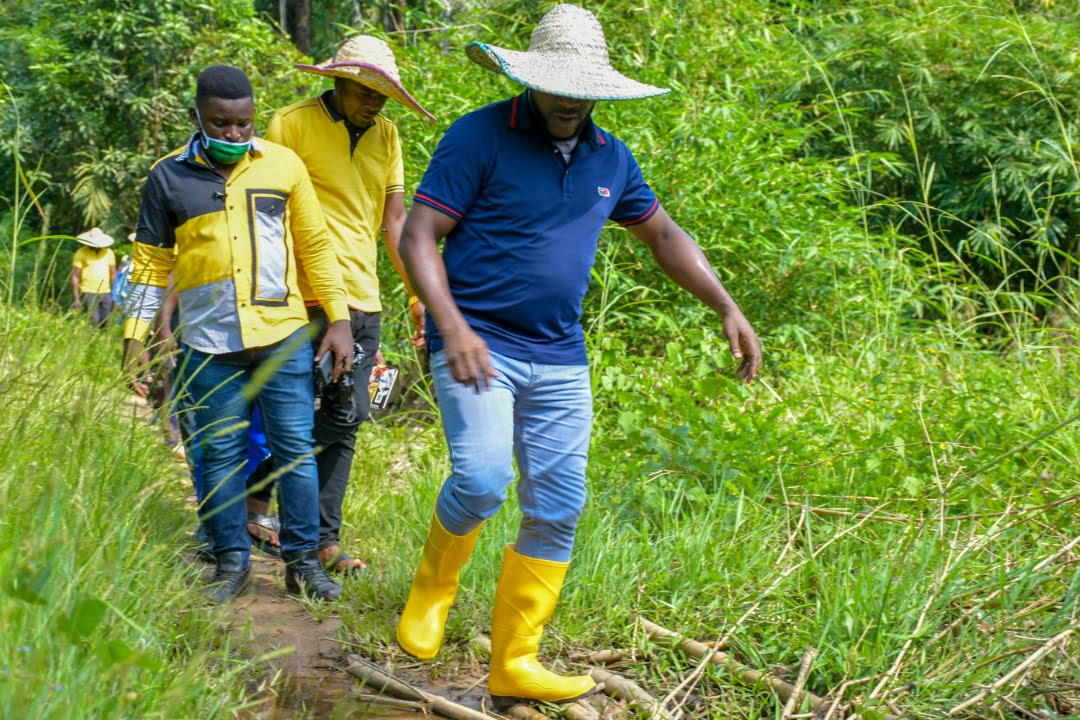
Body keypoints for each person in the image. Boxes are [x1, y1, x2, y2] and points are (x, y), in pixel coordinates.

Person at [395, 4, 763, 706]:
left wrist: (726, 305)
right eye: (557, 84)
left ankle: (516, 660)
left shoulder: (609, 157)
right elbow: (419, 236)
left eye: (581, 87)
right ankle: (433, 586)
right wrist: (453, 326)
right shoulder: (478, 136)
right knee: (479, 478)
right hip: (475, 339)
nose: (569, 99)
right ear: (532, 79)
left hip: (559, 355)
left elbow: (663, 236)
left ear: (599, 88)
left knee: (559, 504)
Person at [127, 65, 354, 604]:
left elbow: (315, 246)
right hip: (209, 344)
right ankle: (231, 561)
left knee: (294, 449)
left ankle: (303, 565)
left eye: (244, 123)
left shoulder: (283, 165)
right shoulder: (167, 178)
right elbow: (150, 266)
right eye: (220, 123)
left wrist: (340, 318)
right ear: (196, 118)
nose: (233, 134)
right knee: (219, 452)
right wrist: (136, 339)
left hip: (282, 337)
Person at [265, 35, 433, 574]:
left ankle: (319, 537)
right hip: (301, 294)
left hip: (363, 297)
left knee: (347, 415)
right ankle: (253, 511)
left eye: (383, 93)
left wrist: (416, 292)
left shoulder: (388, 136)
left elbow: (396, 223)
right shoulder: (290, 124)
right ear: (338, 81)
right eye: (365, 90)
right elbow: (265, 213)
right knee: (291, 412)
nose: (374, 102)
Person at [71, 227, 117, 328]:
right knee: (93, 319)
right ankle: (89, 339)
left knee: (106, 319)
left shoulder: (109, 253)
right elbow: (75, 277)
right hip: (88, 291)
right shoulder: (81, 253)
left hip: (105, 291)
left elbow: (113, 274)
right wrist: (76, 298)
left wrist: (115, 294)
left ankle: (102, 341)